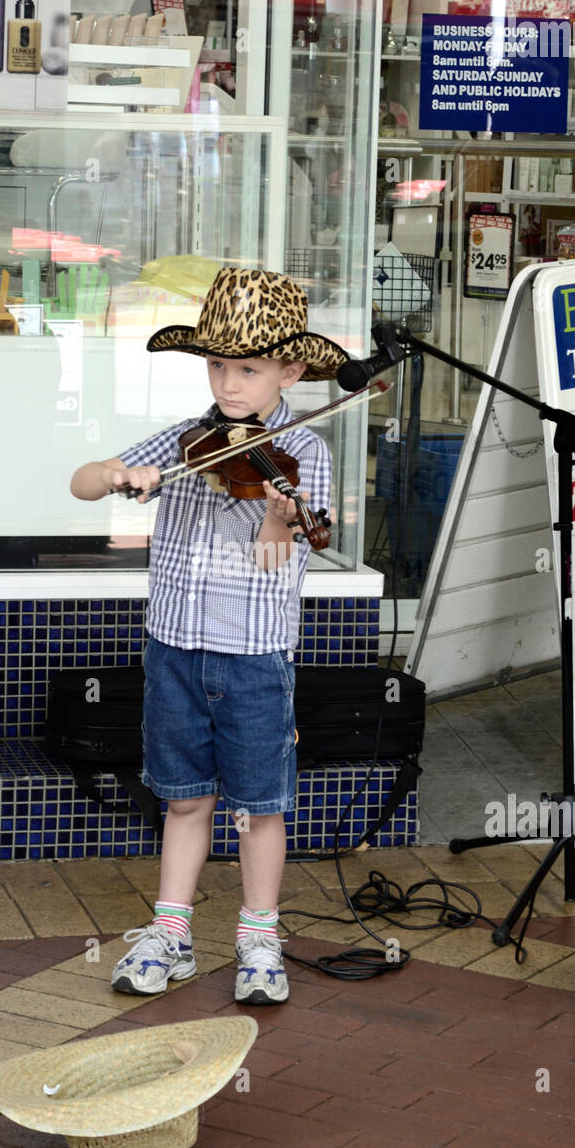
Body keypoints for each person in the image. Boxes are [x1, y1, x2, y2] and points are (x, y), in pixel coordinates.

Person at [70, 266, 349, 1004]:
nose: (229, 384)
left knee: (260, 804)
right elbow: (82, 483)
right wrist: (116, 472)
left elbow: (291, 537)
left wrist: (278, 514)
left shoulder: (303, 455)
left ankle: (259, 938)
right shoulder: (189, 440)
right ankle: (172, 933)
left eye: (248, 369)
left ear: (289, 370)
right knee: (185, 799)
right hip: (174, 649)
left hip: (253, 658)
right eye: (219, 366)